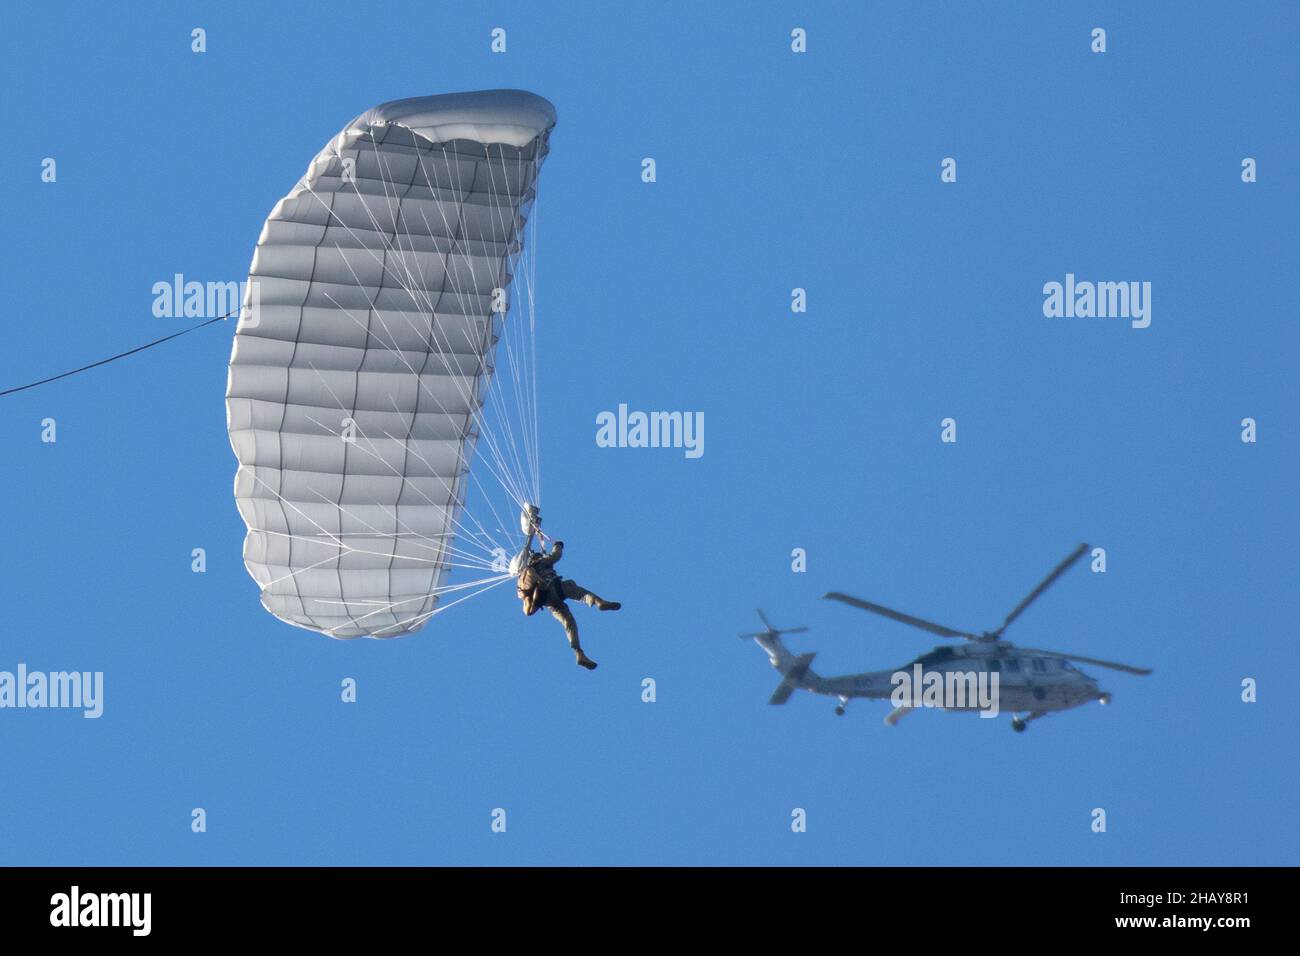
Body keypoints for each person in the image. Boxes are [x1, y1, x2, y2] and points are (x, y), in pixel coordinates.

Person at [516, 539, 620, 670]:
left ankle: (579, 653)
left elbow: (526, 600)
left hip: (548, 603)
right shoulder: (541, 563)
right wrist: (558, 545)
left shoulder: (520, 585)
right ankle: (599, 602)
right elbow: (556, 556)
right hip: (556, 587)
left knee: (569, 623)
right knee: (580, 593)